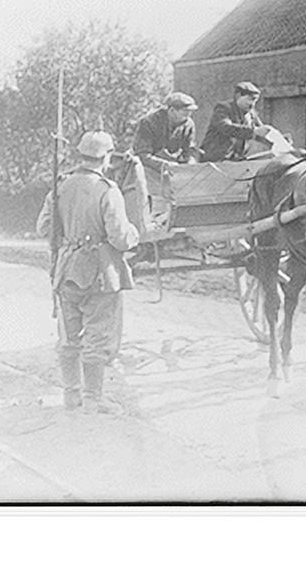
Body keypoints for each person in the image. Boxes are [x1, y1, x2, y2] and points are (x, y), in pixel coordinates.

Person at [36, 131, 140, 414]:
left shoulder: (59, 186)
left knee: (69, 338)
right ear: (106, 158)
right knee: (97, 337)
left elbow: (44, 229)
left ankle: (71, 396)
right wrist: (135, 234)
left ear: (80, 156)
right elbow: (120, 237)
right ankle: (93, 399)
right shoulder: (108, 190)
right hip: (99, 273)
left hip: (65, 269)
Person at [199, 81, 270, 162]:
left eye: (255, 101)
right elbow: (226, 127)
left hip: (236, 159)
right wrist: (253, 131)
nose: (252, 104)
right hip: (216, 159)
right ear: (238, 96)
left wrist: (279, 140)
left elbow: (262, 132)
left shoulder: (251, 114)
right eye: (250, 99)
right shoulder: (223, 108)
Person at [133, 92, 199, 172]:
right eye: (185, 112)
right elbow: (142, 155)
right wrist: (164, 165)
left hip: (174, 169)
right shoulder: (149, 123)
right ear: (171, 110)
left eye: (190, 112)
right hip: (148, 169)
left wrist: (191, 162)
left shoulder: (188, 124)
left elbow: (189, 150)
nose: (188, 115)